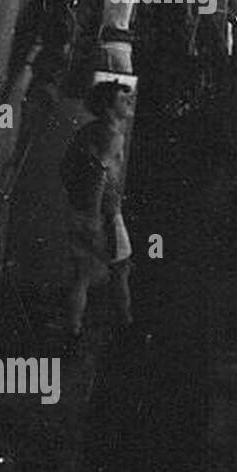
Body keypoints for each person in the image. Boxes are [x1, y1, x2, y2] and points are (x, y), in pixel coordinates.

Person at [60, 80, 135, 350]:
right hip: (103, 215)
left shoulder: (88, 131)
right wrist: (94, 214)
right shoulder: (112, 137)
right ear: (107, 108)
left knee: (80, 275)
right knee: (121, 269)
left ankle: (73, 332)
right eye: (122, 99)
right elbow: (99, 176)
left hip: (77, 210)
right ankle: (126, 328)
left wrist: (80, 206)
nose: (128, 101)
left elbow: (65, 168)